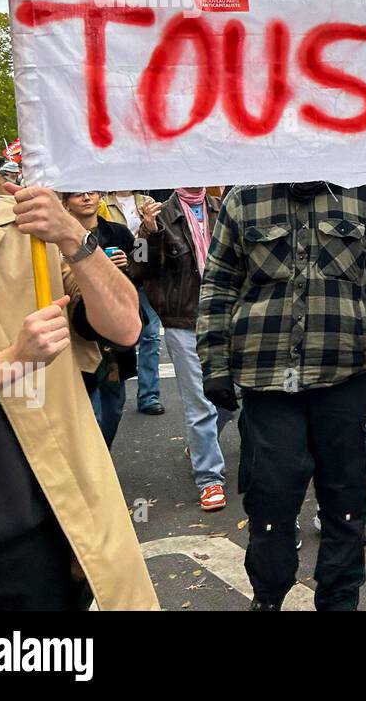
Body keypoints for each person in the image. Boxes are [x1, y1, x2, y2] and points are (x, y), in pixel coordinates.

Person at [0, 111, 157, 610]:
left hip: (39, 543)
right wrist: (14, 359)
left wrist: (74, 240)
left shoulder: (25, 231)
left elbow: (126, 327)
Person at [197, 181, 366, 611]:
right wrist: (215, 364)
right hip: (266, 384)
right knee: (270, 499)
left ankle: (339, 601)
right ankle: (267, 596)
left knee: (346, 500)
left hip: (344, 377)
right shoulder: (244, 198)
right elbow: (219, 285)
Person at [134, 187, 233, 511]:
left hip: (226, 317)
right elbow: (137, 269)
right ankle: (209, 478)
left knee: (233, 397)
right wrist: (148, 233)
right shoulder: (160, 214)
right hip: (182, 322)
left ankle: (199, 444)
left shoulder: (224, 208)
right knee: (199, 402)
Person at [60, 189, 139, 447]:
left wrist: (126, 266)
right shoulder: (53, 240)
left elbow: (144, 269)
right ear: (65, 202)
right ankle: (92, 469)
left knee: (114, 409)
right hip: (77, 333)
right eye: (76, 194)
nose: (85, 198)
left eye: (91, 192)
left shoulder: (119, 233)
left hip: (113, 341)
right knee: (89, 411)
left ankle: (101, 456)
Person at [101, 190, 165, 415]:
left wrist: (149, 226)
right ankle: (111, 396)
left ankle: (149, 395)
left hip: (143, 277)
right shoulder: (102, 203)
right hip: (112, 278)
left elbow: (151, 245)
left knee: (150, 336)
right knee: (114, 340)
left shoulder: (146, 203)